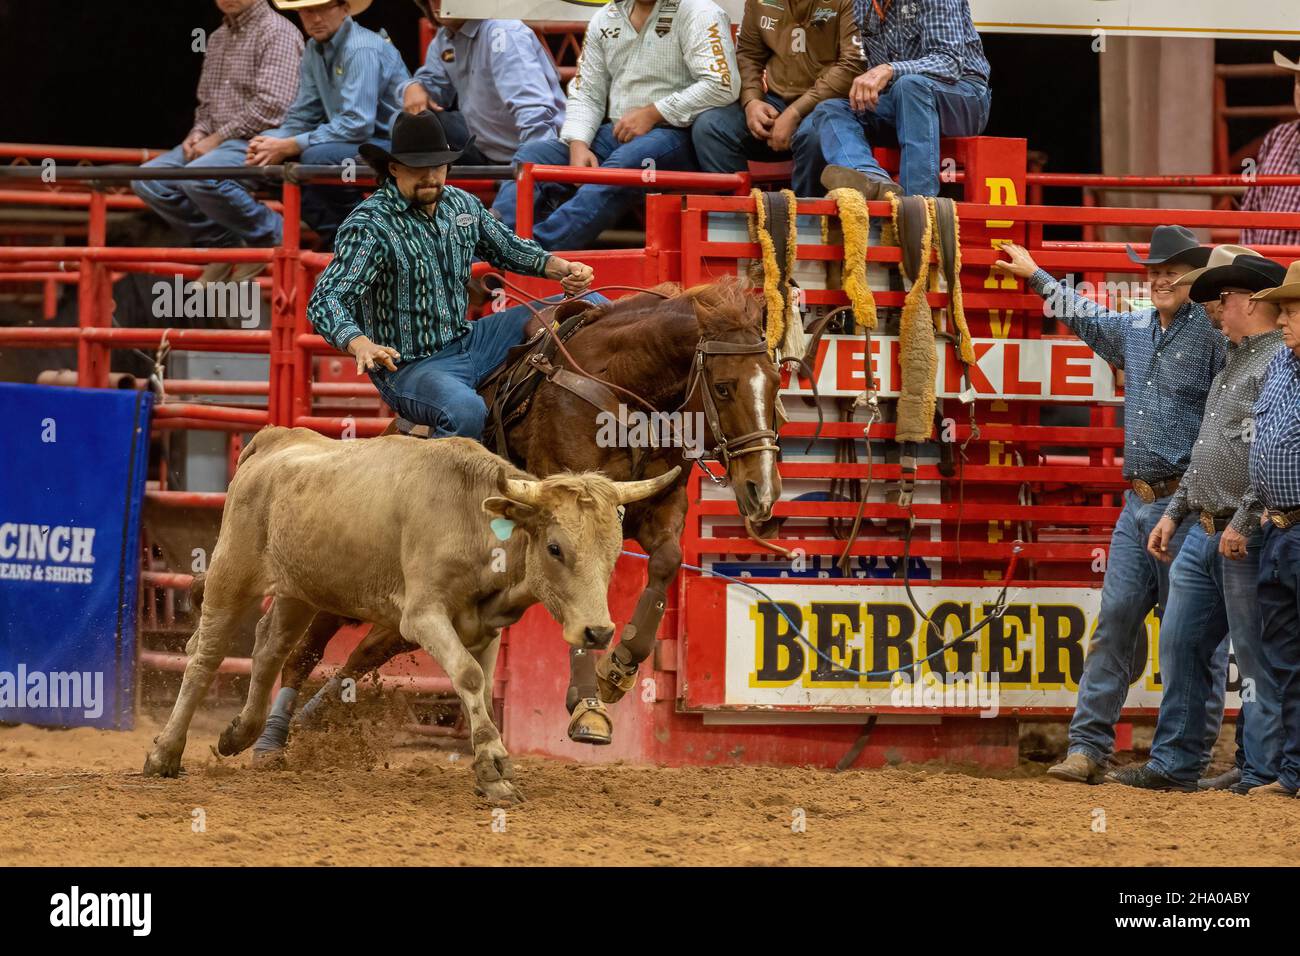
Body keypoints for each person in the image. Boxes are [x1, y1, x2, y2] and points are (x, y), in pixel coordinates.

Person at [994, 226, 1226, 784]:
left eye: (1173, 270)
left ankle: (1180, 758)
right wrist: (1036, 275)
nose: (1162, 278)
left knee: (1189, 637)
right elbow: (1082, 314)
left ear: (1193, 278)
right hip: (1142, 502)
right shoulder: (1139, 329)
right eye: (1154, 270)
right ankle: (1090, 746)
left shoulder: (1216, 338)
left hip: (1189, 508)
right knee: (1118, 622)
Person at [1106, 254, 1287, 794]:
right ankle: (1177, 762)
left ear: (1249, 302)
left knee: (1255, 659)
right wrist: (1175, 510)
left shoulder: (1275, 362)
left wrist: (1248, 519)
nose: (1213, 309)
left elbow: (1271, 454)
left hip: (1241, 532)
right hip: (1206, 526)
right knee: (1183, 644)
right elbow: (1208, 448)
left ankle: (1261, 768)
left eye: (1221, 299)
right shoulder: (1236, 357)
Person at [307, 111, 594, 439]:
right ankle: (446, 489)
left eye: (438, 165)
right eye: (419, 167)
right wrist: (359, 344)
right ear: (394, 168)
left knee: (587, 308)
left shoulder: (461, 204)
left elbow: (508, 248)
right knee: (465, 411)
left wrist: (563, 269)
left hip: (470, 339)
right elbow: (326, 298)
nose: (430, 175)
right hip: (410, 366)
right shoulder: (370, 226)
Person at [492, 0, 739, 251]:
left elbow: (722, 85)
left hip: (681, 133)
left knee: (622, 166)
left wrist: (654, 113)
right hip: (619, 131)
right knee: (533, 156)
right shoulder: (606, 16)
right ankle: (494, 245)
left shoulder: (700, 12)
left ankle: (534, 254)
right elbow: (587, 91)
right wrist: (579, 143)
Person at [131, 0, 304, 283]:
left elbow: (273, 107)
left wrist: (216, 138)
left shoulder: (277, 32)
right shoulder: (218, 37)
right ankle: (225, 244)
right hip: (219, 139)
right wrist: (198, 133)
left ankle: (272, 235)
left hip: (263, 139)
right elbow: (207, 104)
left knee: (198, 176)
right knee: (148, 181)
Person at [249, 0, 409, 250]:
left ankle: (370, 235)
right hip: (355, 144)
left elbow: (358, 124)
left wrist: (290, 144)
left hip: (393, 146)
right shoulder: (314, 48)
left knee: (316, 157)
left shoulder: (361, 47)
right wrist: (272, 142)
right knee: (265, 158)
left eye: (323, 9)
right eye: (306, 10)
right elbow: (304, 113)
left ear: (344, 8)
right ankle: (339, 237)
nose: (314, 18)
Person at [818, 0, 992, 199]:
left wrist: (890, 70)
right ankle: (871, 179)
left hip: (964, 96)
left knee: (909, 86)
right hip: (902, 98)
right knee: (830, 109)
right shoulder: (863, 3)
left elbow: (949, 62)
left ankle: (917, 206)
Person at [691, 0, 864, 198]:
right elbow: (748, 55)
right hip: (774, 102)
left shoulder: (849, 3)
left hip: (826, 107)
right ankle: (738, 216)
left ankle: (808, 222)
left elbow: (852, 66)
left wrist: (795, 112)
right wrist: (751, 101)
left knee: (818, 137)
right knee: (711, 126)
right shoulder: (758, 2)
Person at [1242, 260, 1300, 796]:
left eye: (1291, 310)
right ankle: (1294, 771)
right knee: (1284, 657)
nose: (1281, 319)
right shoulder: (1282, 362)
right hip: (1280, 528)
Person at [400, 4, 565, 166]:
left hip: (537, 153)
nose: (437, 2)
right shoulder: (444, 39)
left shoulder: (501, 31)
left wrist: (532, 170)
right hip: (487, 149)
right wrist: (415, 86)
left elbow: (533, 111)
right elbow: (432, 84)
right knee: (418, 120)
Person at [1238, 51, 1300, 249]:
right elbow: (1252, 206)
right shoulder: (1278, 136)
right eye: (1299, 81)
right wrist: (1248, 265)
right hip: (1268, 270)